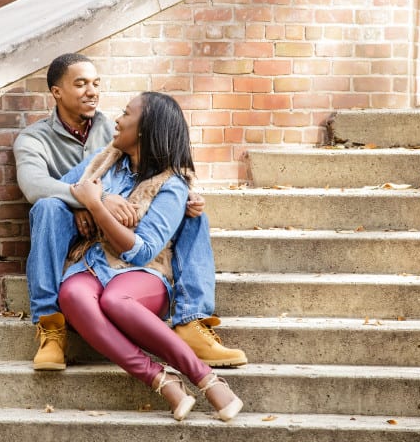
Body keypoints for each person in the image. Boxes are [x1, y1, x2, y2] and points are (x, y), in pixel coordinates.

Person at [13, 53, 246, 371]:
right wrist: (91, 202)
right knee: (47, 206)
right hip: (72, 227)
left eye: (96, 83)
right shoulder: (34, 138)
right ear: (57, 92)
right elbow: (36, 186)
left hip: (120, 232)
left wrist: (183, 195)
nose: (92, 91)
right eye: (80, 84)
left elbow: (159, 160)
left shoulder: (111, 129)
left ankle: (192, 320)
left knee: (194, 214)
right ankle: (51, 327)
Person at [59, 91, 243, 421]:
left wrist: (97, 205)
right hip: (93, 263)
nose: (117, 119)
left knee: (116, 301)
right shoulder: (105, 161)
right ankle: (160, 378)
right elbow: (61, 188)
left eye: (126, 114)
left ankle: (206, 378)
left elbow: (142, 252)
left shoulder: (172, 185)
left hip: (142, 274)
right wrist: (78, 205)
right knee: (71, 294)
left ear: (145, 129)